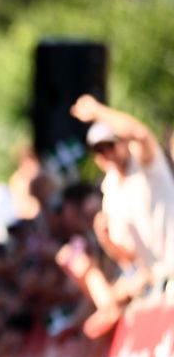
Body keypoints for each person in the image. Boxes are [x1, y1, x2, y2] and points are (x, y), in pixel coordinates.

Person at [70, 95, 174, 304]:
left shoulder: (146, 165)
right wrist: (106, 239)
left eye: (110, 145)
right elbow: (130, 257)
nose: (106, 153)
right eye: (99, 149)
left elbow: (140, 133)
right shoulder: (110, 191)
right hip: (159, 283)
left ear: (123, 143)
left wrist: (97, 111)